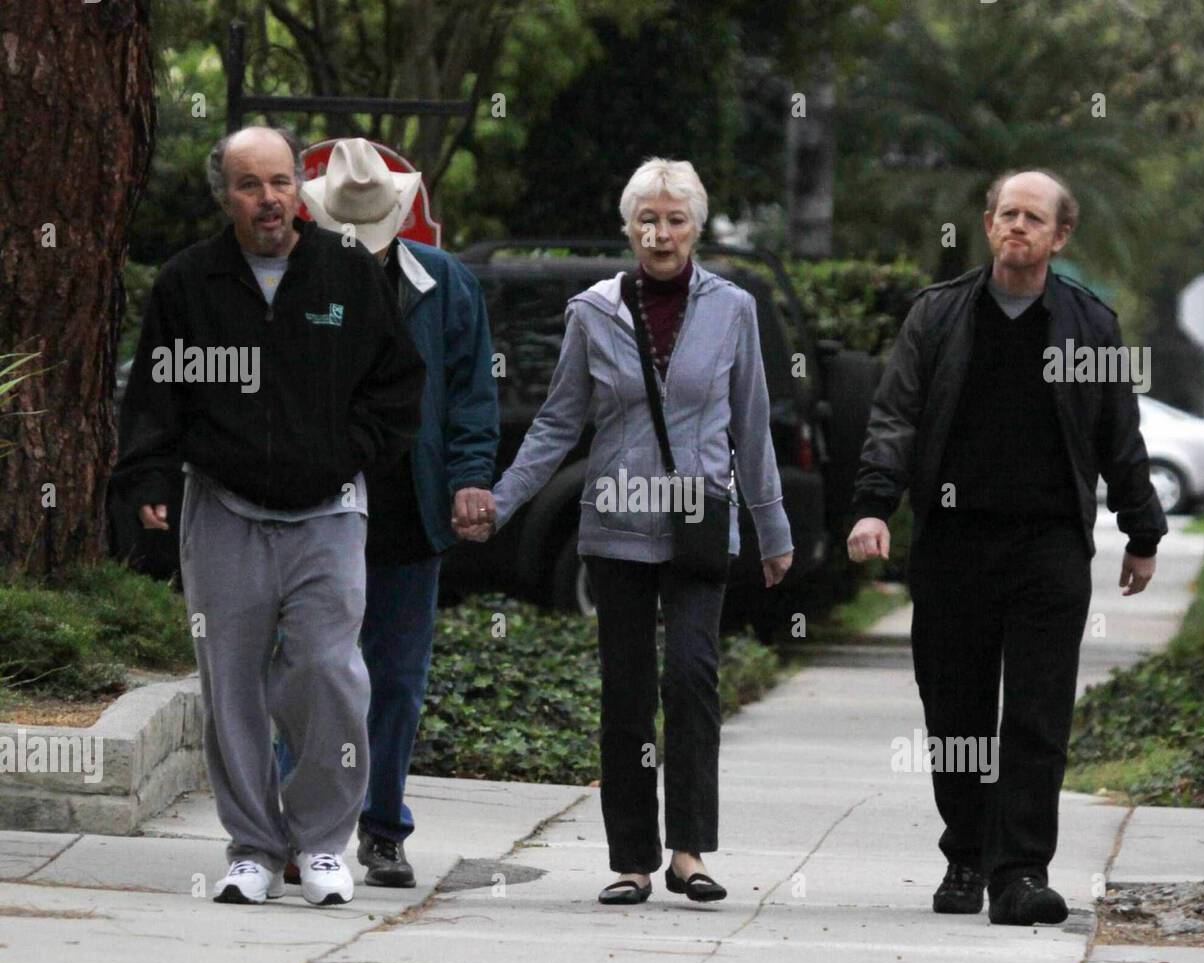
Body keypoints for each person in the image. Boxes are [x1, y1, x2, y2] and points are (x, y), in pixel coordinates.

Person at [462, 157, 793, 905]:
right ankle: (631, 860)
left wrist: (771, 529)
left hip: (699, 521)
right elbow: (556, 422)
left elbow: (751, 422)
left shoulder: (733, 308)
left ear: (697, 228)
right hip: (616, 523)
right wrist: (504, 501)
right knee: (627, 691)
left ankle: (690, 851)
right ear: (628, 228)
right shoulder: (593, 310)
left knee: (692, 677)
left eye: (675, 219)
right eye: (648, 218)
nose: (661, 232)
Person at [112, 126, 424, 906]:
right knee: (233, 685)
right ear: (227, 196)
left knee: (328, 673)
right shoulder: (189, 283)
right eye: (251, 185)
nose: (270, 199)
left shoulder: (347, 274)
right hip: (224, 507)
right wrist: (148, 471)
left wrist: (346, 451)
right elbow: (156, 392)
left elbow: (397, 388)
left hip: (329, 512)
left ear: (301, 190)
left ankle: (322, 843)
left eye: (282, 182)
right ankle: (253, 844)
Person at [847, 169, 1167, 925]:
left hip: (1050, 546)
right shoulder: (938, 316)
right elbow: (895, 415)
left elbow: (1118, 433)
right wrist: (873, 505)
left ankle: (1020, 871)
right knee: (956, 711)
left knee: (1035, 715)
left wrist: (1141, 528)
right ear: (988, 224)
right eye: (1006, 214)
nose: (1017, 226)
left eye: (1034, 217)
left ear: (1060, 236)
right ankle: (966, 850)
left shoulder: (1091, 325)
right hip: (955, 544)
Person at [279, 138, 499, 889]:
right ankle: (299, 824)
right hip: (316, 504)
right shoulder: (294, 284)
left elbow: (472, 395)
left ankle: (381, 827)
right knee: (310, 668)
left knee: (396, 678)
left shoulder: (446, 284)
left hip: (409, 509)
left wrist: (471, 477)